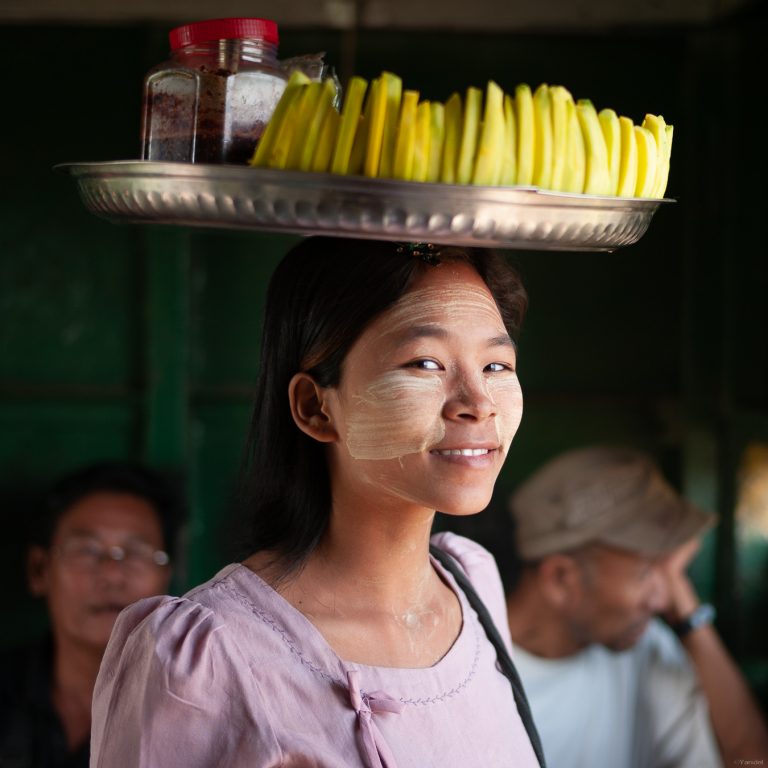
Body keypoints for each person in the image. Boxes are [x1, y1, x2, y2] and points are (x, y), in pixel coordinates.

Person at [90, 237, 544, 767]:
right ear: (315, 408)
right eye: (425, 363)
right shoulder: (207, 655)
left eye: (496, 366)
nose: (477, 404)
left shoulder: (474, 585)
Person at [505, 444, 768, 768]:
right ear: (561, 578)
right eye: (647, 572)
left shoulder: (644, 645)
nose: (664, 600)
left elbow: (753, 760)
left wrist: (690, 618)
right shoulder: (470, 679)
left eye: (672, 572)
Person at [0, 461, 183, 768]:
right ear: (39, 570)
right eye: (86, 550)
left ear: (167, 577)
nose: (112, 574)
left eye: (137, 553)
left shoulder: (196, 708)